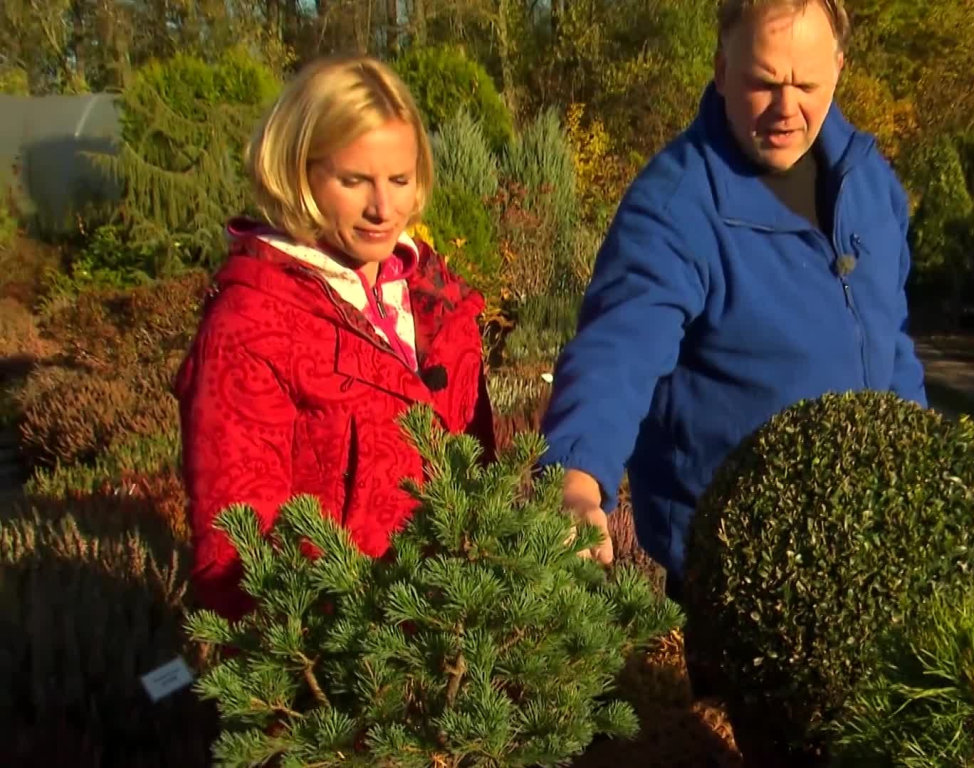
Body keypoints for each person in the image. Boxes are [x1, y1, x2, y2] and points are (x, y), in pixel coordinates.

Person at [540, 0, 927, 599]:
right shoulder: (677, 204)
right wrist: (577, 478)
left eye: (806, 85)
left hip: (867, 553)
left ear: (838, 69)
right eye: (763, 83)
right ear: (722, 70)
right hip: (735, 568)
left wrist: (925, 465)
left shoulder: (870, 184)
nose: (786, 108)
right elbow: (620, 350)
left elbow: (891, 340)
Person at [175, 54, 495, 620]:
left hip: (465, 643)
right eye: (354, 181)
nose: (382, 208)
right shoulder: (251, 328)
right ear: (299, 175)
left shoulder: (439, 303)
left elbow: (485, 481)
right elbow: (238, 552)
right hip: (341, 654)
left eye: (399, 180)